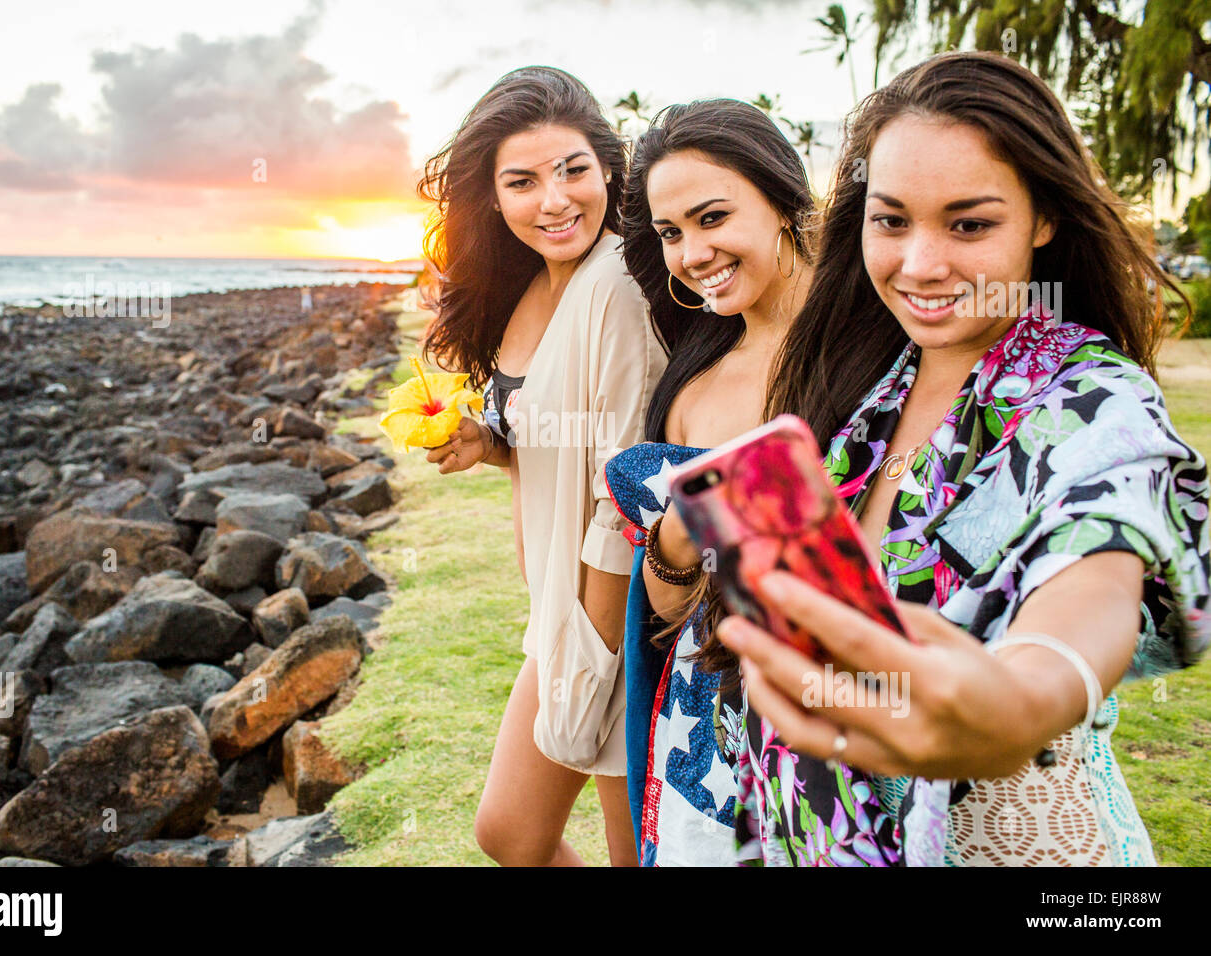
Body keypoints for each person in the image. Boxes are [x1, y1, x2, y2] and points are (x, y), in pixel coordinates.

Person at [715, 50, 1211, 866]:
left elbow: (1096, 561)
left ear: (1043, 219)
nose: (921, 264)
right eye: (892, 220)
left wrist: (1023, 694)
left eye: (970, 224)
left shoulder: (1092, 399)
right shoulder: (861, 386)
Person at [418, 65, 667, 866]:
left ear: (607, 171)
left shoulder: (617, 286)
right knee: (510, 834)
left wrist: (592, 658)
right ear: (492, 197)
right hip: (559, 618)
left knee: (633, 855)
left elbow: (622, 493)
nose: (554, 200)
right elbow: (553, 437)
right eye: (522, 181)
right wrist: (487, 442)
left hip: (619, 623)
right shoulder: (533, 283)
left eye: (574, 171)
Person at [603, 99, 815, 865]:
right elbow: (668, 612)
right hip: (710, 721)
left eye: (712, 216)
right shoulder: (693, 386)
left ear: (784, 201)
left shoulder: (877, 341)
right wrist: (678, 533)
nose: (692, 252)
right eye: (670, 233)